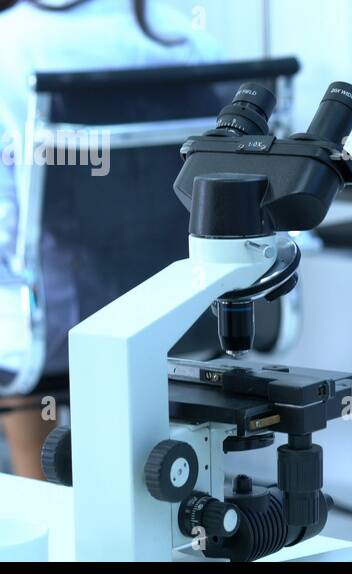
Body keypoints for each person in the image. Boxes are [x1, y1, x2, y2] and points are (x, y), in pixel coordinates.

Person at [0, 0, 220, 478]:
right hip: (183, 318)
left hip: (54, 332)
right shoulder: (186, 38)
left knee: (25, 290)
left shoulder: (10, 44)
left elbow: (8, 223)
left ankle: (42, 506)